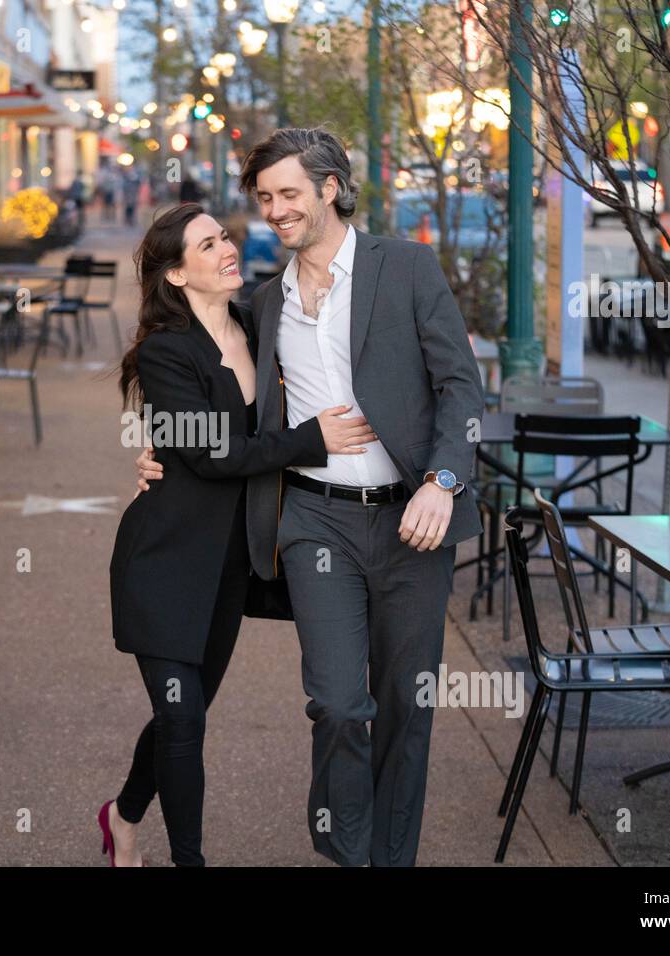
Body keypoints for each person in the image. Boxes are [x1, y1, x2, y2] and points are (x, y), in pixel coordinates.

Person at [134, 128, 484, 866]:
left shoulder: (408, 268)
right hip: (315, 522)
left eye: (289, 193)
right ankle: (343, 851)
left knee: (404, 710)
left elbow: (461, 386)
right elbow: (216, 400)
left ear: (329, 187)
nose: (275, 210)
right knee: (336, 704)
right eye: (264, 198)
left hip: (413, 523)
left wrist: (443, 481)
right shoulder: (263, 305)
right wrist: (164, 453)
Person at [100, 202, 377, 867]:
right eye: (206, 245)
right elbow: (213, 453)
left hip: (228, 567)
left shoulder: (260, 325)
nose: (226, 248)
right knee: (183, 719)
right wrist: (313, 441)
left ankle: (122, 813)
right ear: (175, 275)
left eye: (223, 236)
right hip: (163, 562)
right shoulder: (167, 353)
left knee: (183, 716)